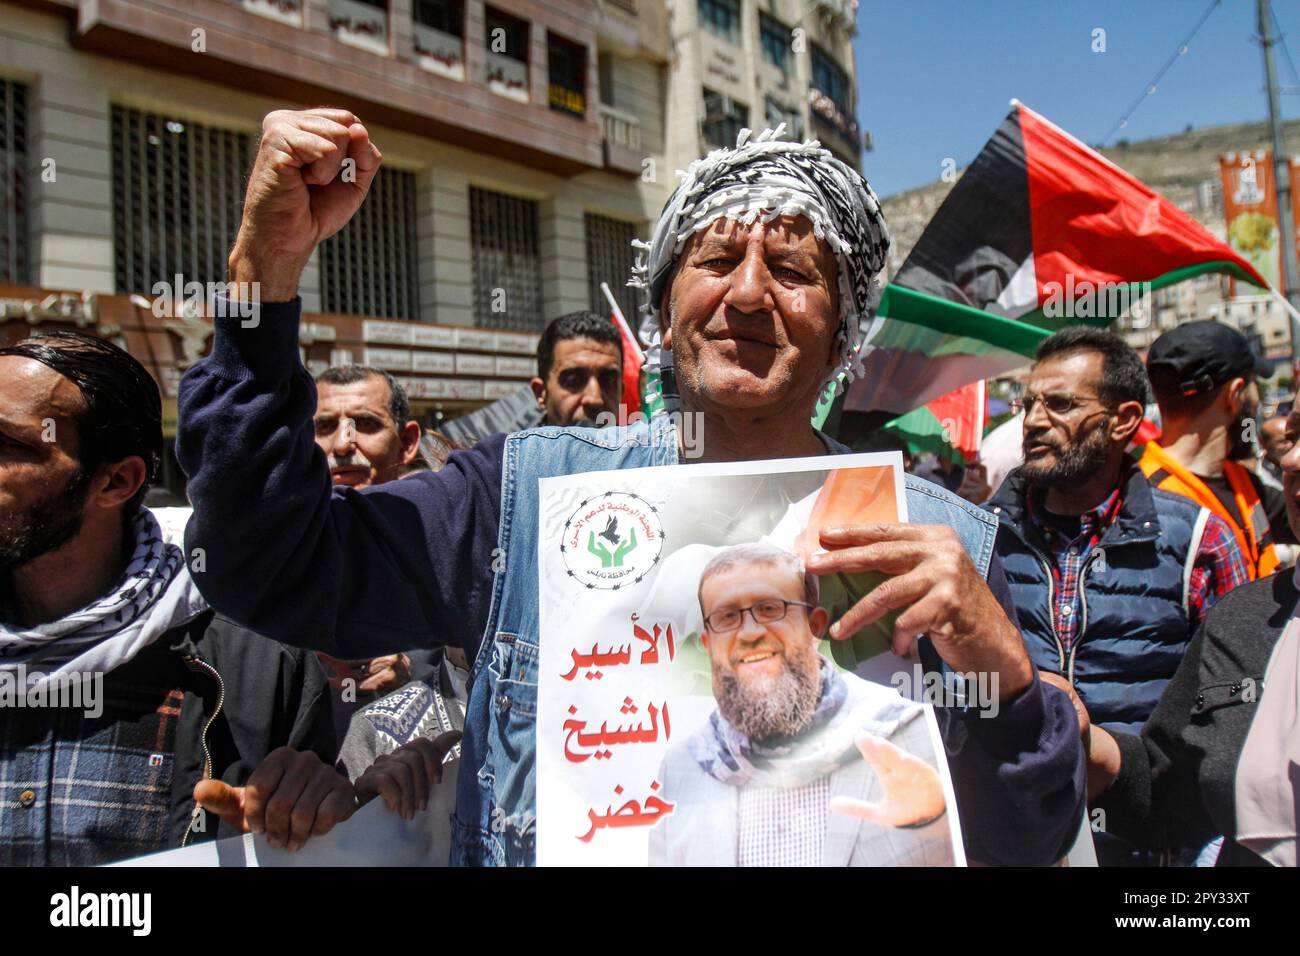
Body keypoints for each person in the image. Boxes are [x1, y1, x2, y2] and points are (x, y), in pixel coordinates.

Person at [176, 109, 1085, 867]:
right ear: (662, 310)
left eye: (797, 272)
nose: (749, 294)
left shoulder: (936, 545)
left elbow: (1023, 841)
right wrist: (263, 280)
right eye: (717, 261)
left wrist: (1005, 683)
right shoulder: (522, 498)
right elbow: (266, 563)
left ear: (843, 332)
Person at [0, 332, 341, 865]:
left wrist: (311, 813)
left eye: (10, 446)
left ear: (117, 481)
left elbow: (326, 839)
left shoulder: (251, 660)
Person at [1056, 399, 1300, 866]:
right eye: (1294, 434)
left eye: (1063, 403)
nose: (1290, 460)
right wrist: (1080, 738)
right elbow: (1171, 794)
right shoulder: (1244, 618)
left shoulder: (1198, 532)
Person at [988, 328, 1250, 736]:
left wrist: (1149, 775)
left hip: (1147, 794)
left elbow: (1232, 700)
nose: (1034, 421)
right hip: (1012, 792)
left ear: (1123, 420)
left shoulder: (1200, 539)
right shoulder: (981, 533)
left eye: (1061, 404)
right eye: (1029, 404)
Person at [649, 544, 952, 867]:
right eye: (726, 617)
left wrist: (935, 822)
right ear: (709, 645)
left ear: (815, 625)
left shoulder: (910, 733)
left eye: (769, 609)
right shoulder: (681, 769)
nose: (749, 632)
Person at [311, 364, 438, 736]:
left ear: (407, 442)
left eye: (365, 424)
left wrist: (413, 675)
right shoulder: (271, 561)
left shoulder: (450, 553)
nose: (343, 444)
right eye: (324, 427)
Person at [1140, 321, 1293, 580]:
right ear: (1234, 395)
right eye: (1253, 384)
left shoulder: (1244, 484)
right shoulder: (1147, 504)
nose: (1255, 401)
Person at [530, 311, 624, 426]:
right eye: (573, 381)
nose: (594, 399)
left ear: (621, 392)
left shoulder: (641, 443)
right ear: (541, 393)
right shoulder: (516, 444)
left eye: (609, 381)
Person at [1258, 414, 1291, 490]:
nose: (1291, 445)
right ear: (1263, 443)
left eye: (1293, 439)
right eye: (1284, 441)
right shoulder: (1258, 474)